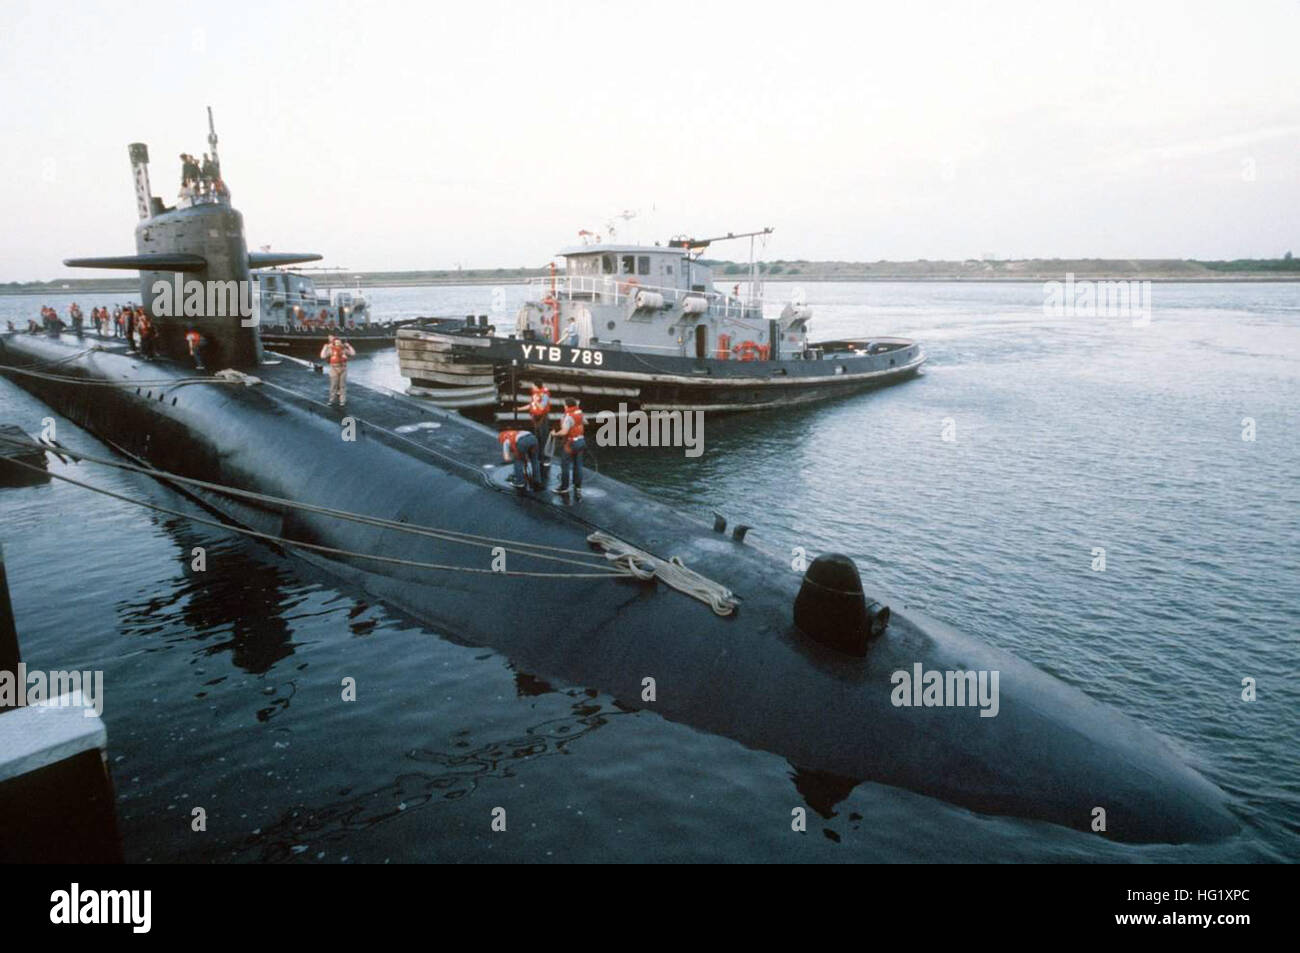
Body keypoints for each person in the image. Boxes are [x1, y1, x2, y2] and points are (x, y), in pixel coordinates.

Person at [552, 397, 586, 499]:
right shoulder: (580, 413)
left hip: (571, 443)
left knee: (565, 465)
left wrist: (555, 434)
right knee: (578, 465)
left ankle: (564, 487)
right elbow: (585, 422)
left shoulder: (568, 417)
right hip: (581, 441)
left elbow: (565, 432)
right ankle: (578, 486)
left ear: (567, 406)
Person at [320, 333, 355, 408]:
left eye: (339, 342)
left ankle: (342, 401)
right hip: (334, 369)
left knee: (342, 386)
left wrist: (349, 346)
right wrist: (325, 348)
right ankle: (331, 400)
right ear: (334, 343)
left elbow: (353, 353)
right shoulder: (331, 350)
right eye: (336, 343)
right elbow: (322, 356)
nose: (338, 344)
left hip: (343, 368)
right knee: (333, 385)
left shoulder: (344, 350)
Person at [519, 380, 550, 447]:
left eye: (533, 385)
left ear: (536, 386)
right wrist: (518, 409)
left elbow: (542, 407)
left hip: (542, 418)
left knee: (543, 437)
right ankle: (537, 453)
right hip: (536, 417)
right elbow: (531, 405)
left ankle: (543, 455)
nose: (532, 386)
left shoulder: (544, 395)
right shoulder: (535, 394)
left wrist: (536, 402)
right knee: (537, 436)